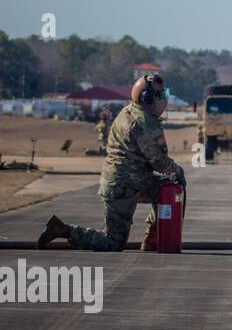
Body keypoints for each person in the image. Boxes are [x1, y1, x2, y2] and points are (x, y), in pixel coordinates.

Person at [39, 74, 184, 251]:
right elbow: (159, 163)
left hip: (127, 181)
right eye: (161, 95)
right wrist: (177, 170)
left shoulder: (129, 111)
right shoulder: (146, 122)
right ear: (147, 99)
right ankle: (64, 230)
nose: (165, 99)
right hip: (124, 186)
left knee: (166, 187)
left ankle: (153, 239)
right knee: (113, 243)